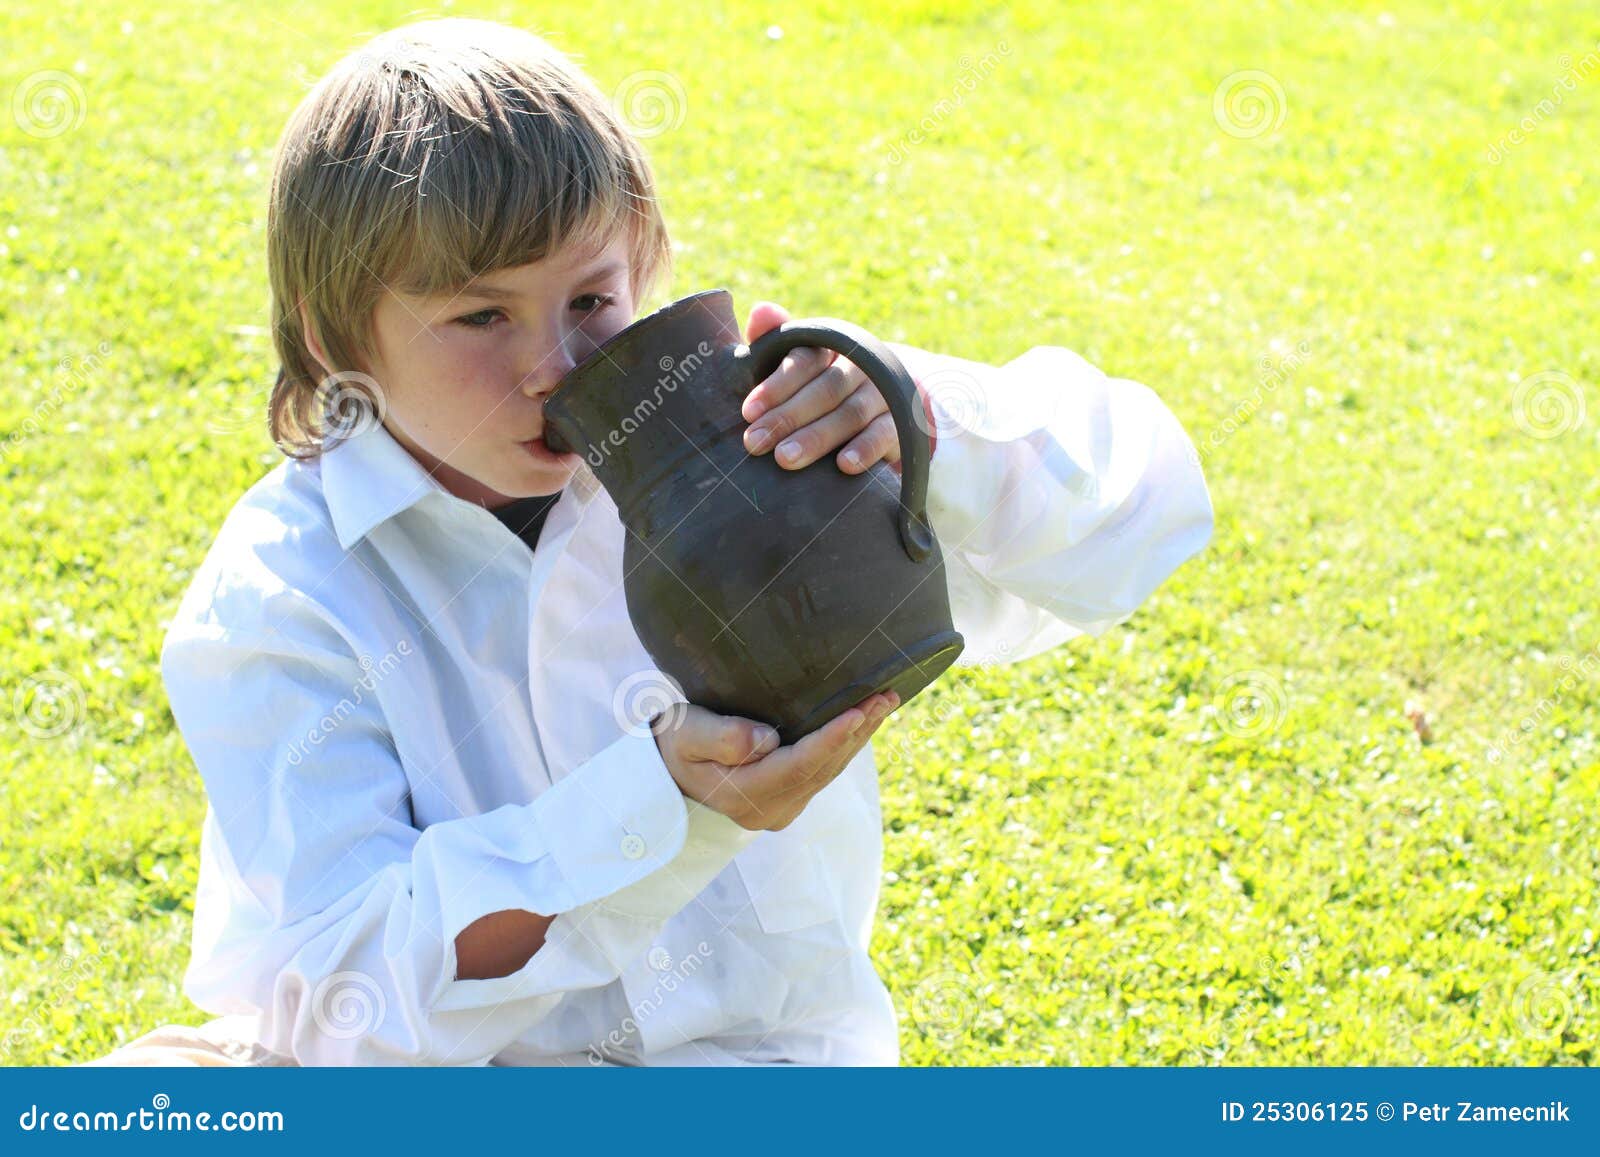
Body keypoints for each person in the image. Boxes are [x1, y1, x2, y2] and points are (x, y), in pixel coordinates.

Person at [87, 15, 1213, 1067]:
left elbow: (1141, 515)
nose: (556, 366)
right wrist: (661, 810)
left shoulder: (760, 443)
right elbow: (340, 1000)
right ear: (341, 337)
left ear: (646, 258)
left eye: (590, 299)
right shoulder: (283, 594)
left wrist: (921, 423)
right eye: (482, 317)